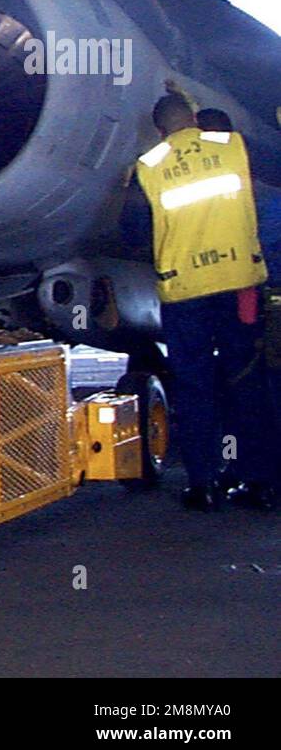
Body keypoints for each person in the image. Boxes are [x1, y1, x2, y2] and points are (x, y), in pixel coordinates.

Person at [135, 94, 277, 511]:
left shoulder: (149, 166)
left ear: (160, 130)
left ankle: (204, 484)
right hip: (238, 286)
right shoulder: (231, 146)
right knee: (247, 381)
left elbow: (134, 225)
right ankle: (259, 482)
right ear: (195, 118)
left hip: (185, 293)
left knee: (194, 386)